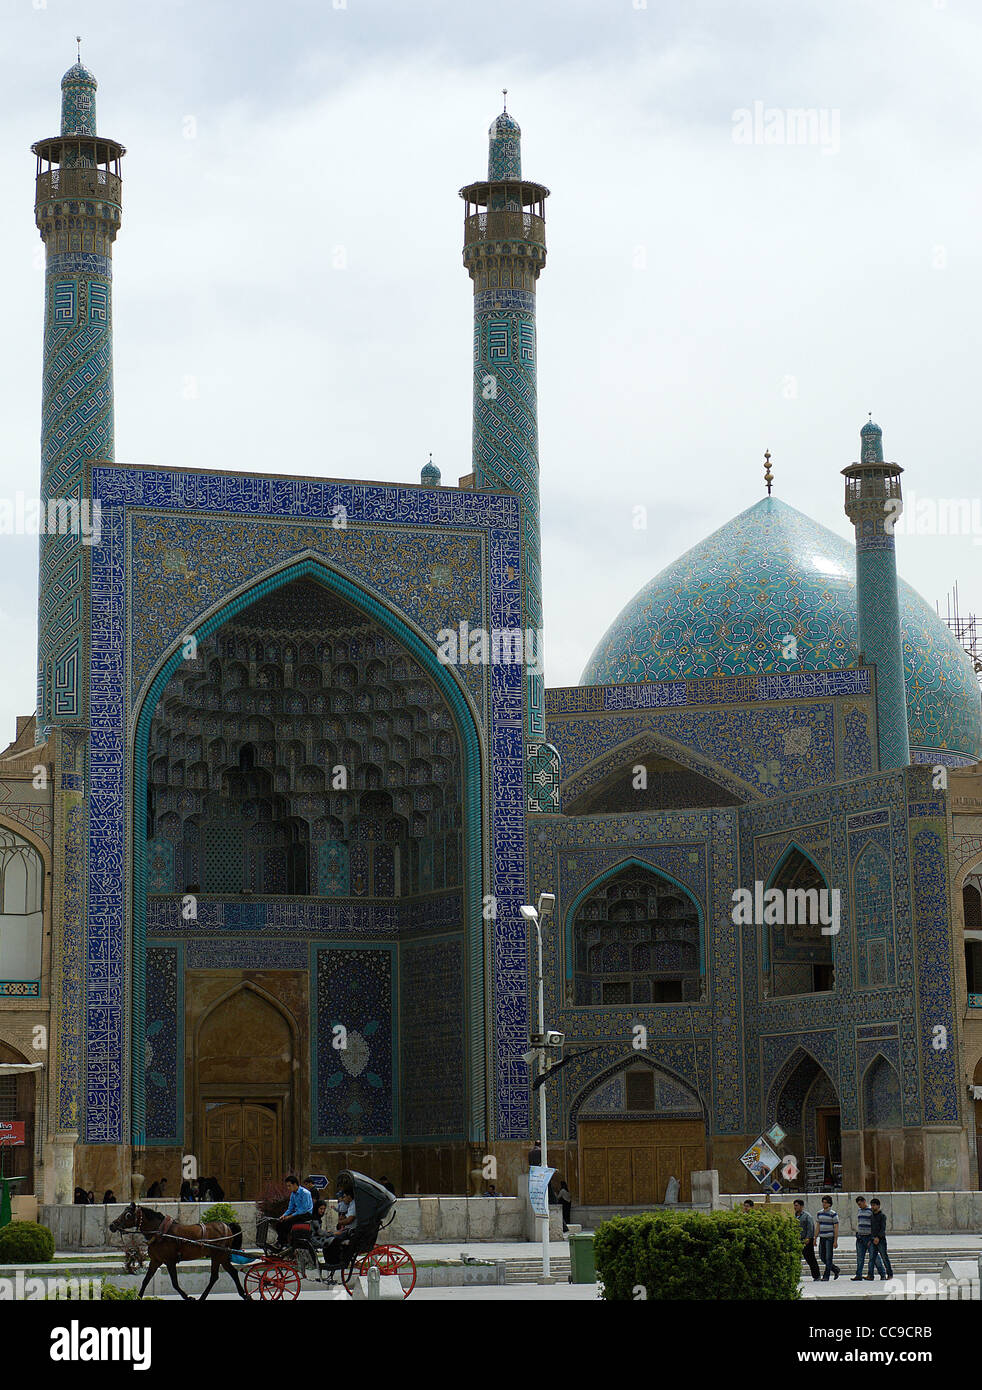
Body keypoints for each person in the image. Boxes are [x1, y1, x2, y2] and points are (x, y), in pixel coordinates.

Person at [273, 1174, 314, 1250]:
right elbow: (290, 1208)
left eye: (289, 1186)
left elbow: (303, 1209)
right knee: (279, 1223)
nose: (288, 1188)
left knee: (287, 1222)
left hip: (306, 1214)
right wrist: (284, 1215)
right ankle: (281, 1242)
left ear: (295, 1184)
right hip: (298, 1214)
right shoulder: (293, 1194)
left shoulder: (305, 1193)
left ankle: (284, 1243)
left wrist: (290, 1216)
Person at [793, 1200, 821, 1282]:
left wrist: (808, 1238)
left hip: (806, 1240)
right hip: (797, 1240)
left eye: (797, 1205)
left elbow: (810, 1227)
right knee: (796, 1259)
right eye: (794, 1205)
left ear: (801, 1206)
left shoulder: (807, 1216)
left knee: (810, 1258)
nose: (795, 1207)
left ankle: (816, 1275)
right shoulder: (794, 1216)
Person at [868, 1198, 893, 1280]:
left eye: (874, 1205)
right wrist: (872, 1238)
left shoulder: (882, 1216)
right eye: (871, 1205)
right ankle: (870, 1275)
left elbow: (882, 1228)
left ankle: (889, 1274)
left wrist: (878, 1237)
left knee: (884, 1257)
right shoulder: (871, 1216)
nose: (872, 1207)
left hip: (881, 1240)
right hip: (873, 1240)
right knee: (872, 1258)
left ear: (878, 1206)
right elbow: (871, 1228)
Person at [816, 1195, 840, 1280]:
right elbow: (818, 1226)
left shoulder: (833, 1214)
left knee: (828, 1256)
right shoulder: (819, 1213)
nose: (824, 1204)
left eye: (826, 1202)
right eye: (823, 1202)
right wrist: (815, 1238)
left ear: (829, 1204)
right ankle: (835, 1269)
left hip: (830, 1237)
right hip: (822, 1237)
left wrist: (835, 1240)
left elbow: (836, 1227)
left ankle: (826, 1276)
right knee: (822, 1256)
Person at [852, 1196, 873, 1281]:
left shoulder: (871, 1211)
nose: (859, 1206)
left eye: (860, 1204)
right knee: (860, 1257)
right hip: (860, 1237)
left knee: (874, 1257)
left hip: (869, 1237)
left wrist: (872, 1237)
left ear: (864, 1202)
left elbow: (874, 1224)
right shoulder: (859, 1211)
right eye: (858, 1205)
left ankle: (882, 1273)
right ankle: (858, 1275)